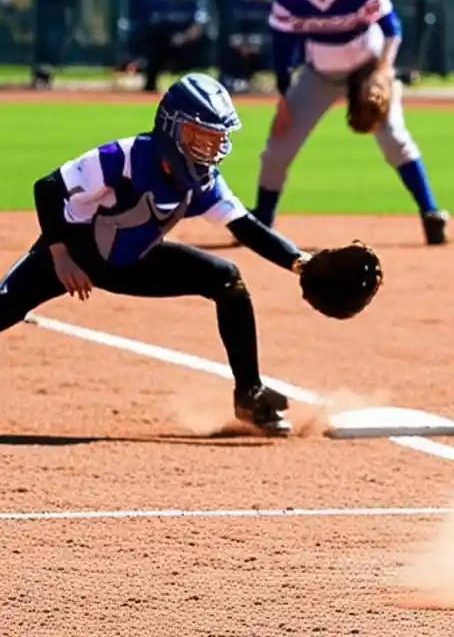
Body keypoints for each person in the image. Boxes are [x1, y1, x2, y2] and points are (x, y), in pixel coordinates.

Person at [0, 74, 309, 436]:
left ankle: (250, 394)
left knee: (226, 279)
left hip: (134, 263)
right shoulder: (124, 157)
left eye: (216, 140)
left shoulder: (204, 182)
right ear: (171, 128)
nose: (209, 150)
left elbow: (246, 227)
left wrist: (300, 262)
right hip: (72, 252)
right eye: (200, 137)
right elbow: (49, 188)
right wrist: (60, 255)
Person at [257, 0, 449, 246]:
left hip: (366, 70)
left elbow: (392, 29)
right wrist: (285, 99)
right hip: (319, 75)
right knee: (278, 145)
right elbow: (282, 48)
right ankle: (261, 223)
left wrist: (382, 73)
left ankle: (431, 213)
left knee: (394, 139)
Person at [142, 0, 213, 93]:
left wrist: (184, 37)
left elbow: (199, 25)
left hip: (190, 45)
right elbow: (154, 25)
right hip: (167, 44)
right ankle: (149, 89)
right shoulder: (162, 0)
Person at [219, 0, 276, 94]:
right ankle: (232, 81)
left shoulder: (274, 6)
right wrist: (242, 44)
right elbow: (233, 32)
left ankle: (269, 82)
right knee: (230, 53)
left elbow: (277, 32)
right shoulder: (240, 6)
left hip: (266, 50)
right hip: (243, 50)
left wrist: (259, 44)